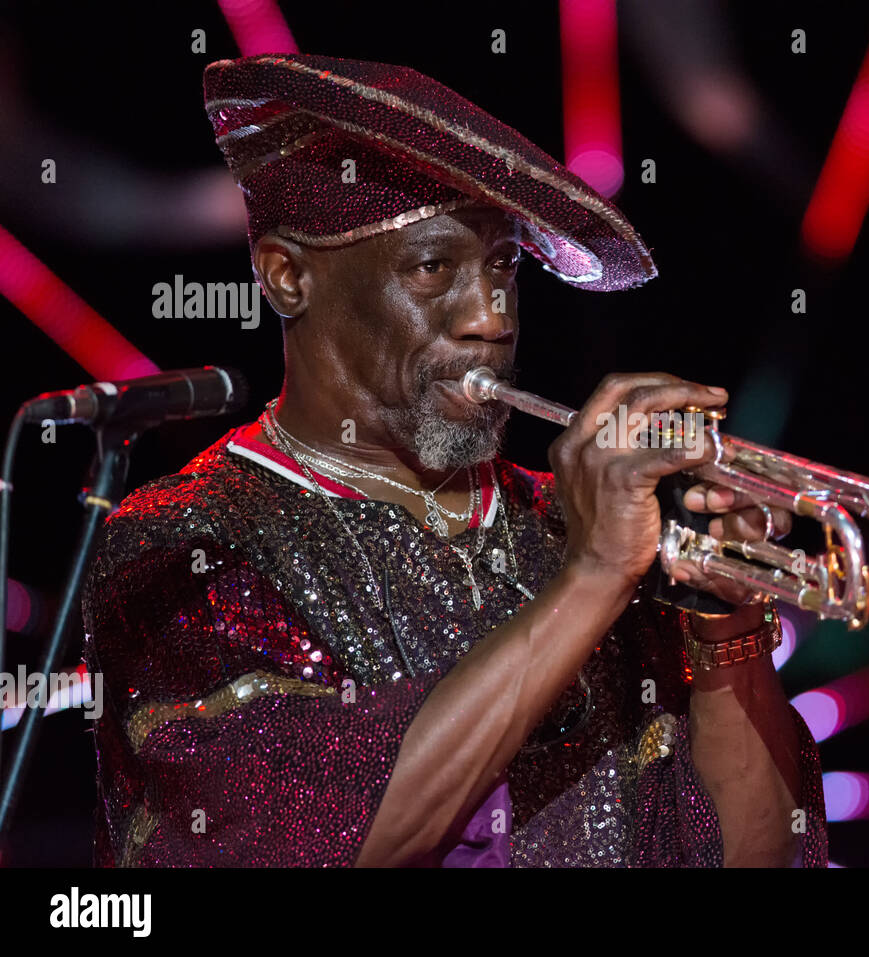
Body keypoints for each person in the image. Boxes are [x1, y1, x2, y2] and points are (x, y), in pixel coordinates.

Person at [81, 53, 827, 867]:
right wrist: (593, 577)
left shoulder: (582, 523)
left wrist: (728, 615)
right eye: (434, 268)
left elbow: (751, 854)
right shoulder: (181, 543)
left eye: (504, 266)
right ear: (289, 277)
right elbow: (333, 846)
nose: (490, 317)